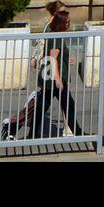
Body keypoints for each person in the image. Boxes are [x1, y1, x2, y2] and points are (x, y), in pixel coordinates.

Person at [28, 8, 83, 138]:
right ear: (61, 23)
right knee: (67, 105)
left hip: (48, 78)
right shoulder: (57, 36)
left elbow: (54, 54)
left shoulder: (54, 33)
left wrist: (65, 58)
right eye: (67, 22)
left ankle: (33, 134)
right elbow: (53, 57)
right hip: (53, 79)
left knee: (44, 107)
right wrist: (58, 80)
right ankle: (77, 132)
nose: (69, 24)